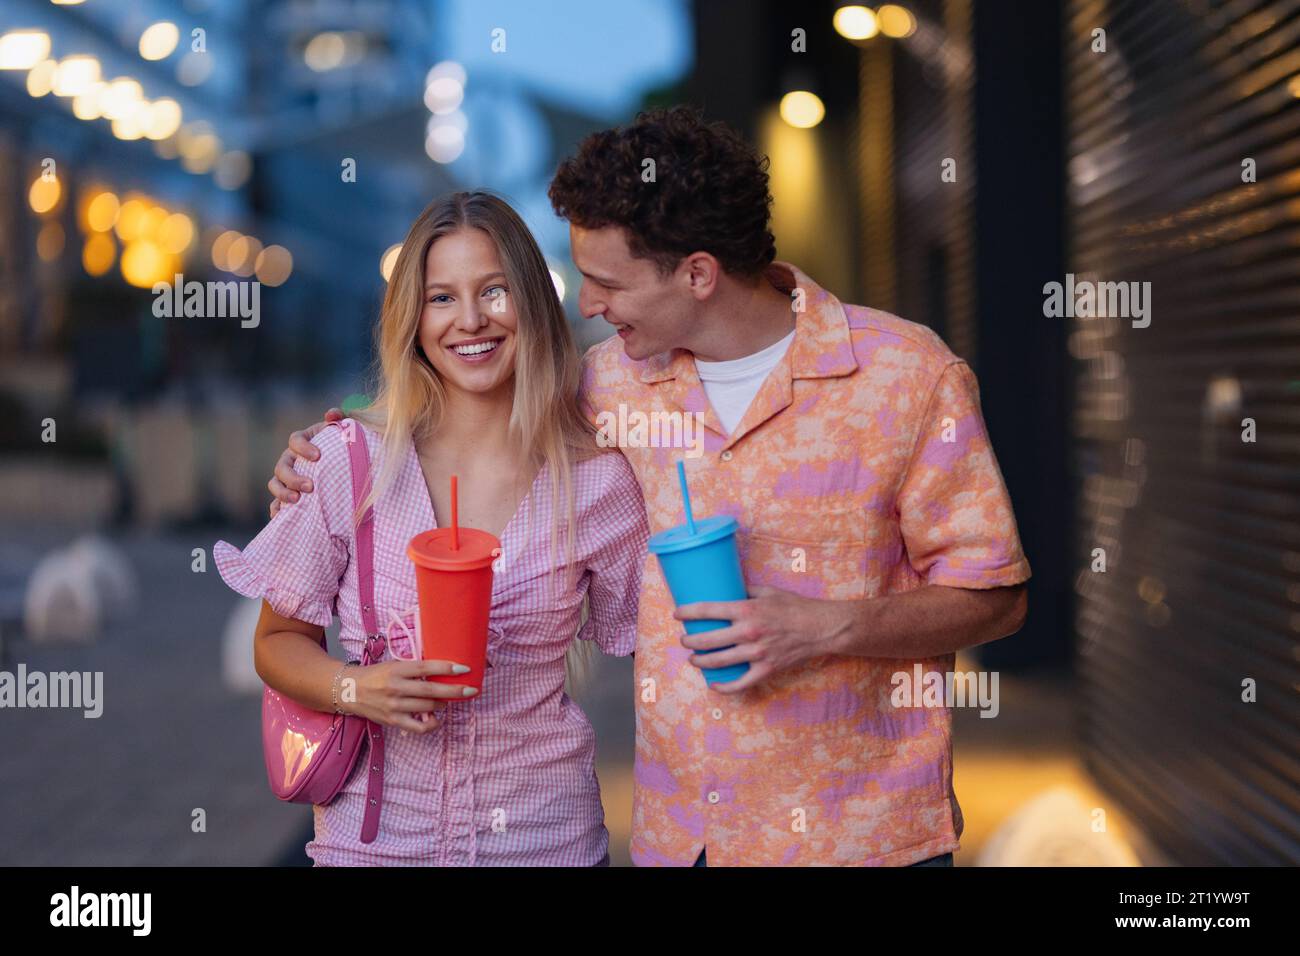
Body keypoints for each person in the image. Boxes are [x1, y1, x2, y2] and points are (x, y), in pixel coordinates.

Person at [271, 107, 1031, 867]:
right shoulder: (609, 384)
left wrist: (825, 626)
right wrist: (336, 448)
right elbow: (480, 403)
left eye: (606, 284)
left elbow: (998, 597)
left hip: (863, 837)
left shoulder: (906, 376)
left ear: (697, 274)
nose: (590, 306)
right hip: (685, 840)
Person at [216, 191, 648, 866]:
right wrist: (357, 689)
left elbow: (658, 646)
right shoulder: (344, 462)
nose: (470, 319)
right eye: (441, 297)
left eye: (495, 291)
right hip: (376, 843)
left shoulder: (597, 482)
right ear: (412, 317)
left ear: (532, 302)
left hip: (545, 840)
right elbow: (276, 641)